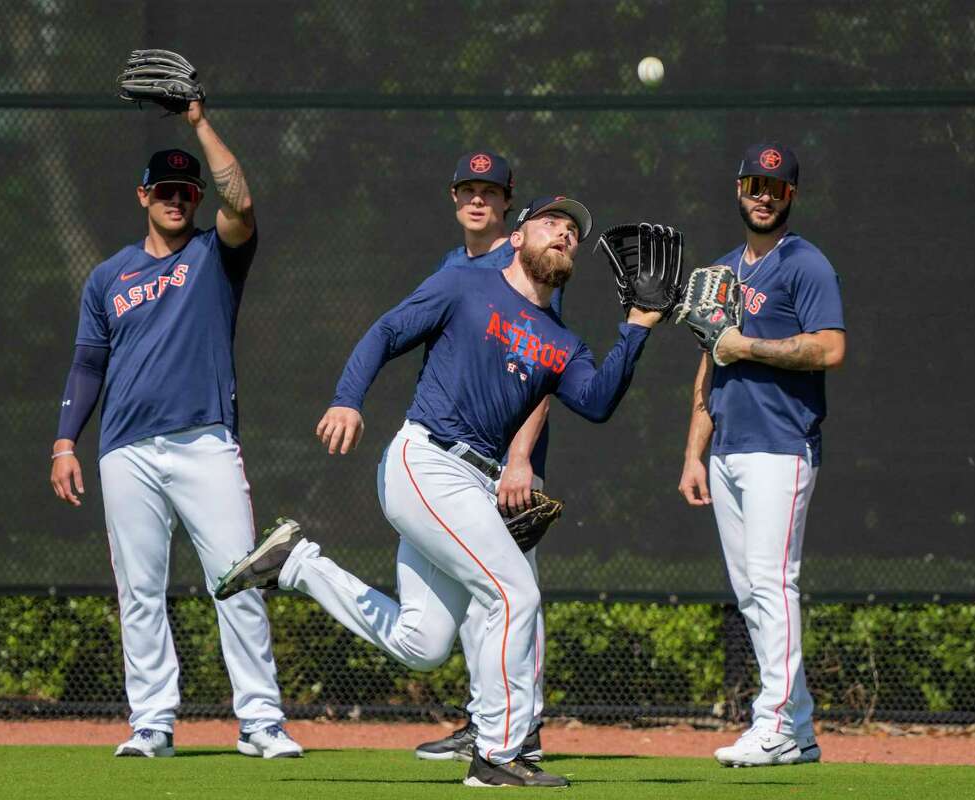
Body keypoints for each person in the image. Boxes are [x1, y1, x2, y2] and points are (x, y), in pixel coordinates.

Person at [216, 196, 666, 788]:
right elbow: (386, 332)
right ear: (516, 237)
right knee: (515, 594)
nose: (564, 232)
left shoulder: (563, 342)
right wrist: (348, 398)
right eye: (550, 222)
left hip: (474, 483)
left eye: (573, 231)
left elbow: (598, 401)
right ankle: (498, 756)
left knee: (422, 642)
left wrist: (636, 328)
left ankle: (295, 563)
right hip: (427, 461)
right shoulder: (463, 286)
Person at [48, 100, 302, 759]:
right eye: (165, 189)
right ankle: (152, 724)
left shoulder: (216, 256)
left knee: (238, 578)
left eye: (186, 191)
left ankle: (261, 722)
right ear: (144, 195)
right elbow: (87, 362)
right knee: (140, 593)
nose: (177, 199)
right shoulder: (109, 277)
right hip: (125, 450)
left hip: (204, 441)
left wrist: (198, 122)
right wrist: (64, 441)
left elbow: (240, 202)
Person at [677, 142, 845, 767]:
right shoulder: (722, 271)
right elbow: (709, 362)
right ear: (739, 187)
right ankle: (797, 728)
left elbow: (830, 349)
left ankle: (772, 723)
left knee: (775, 585)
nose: (764, 194)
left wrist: (745, 346)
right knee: (751, 592)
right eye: (755, 182)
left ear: (790, 195)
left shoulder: (807, 264)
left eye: (776, 185)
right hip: (727, 450)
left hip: (782, 445)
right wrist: (695, 453)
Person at [414, 151, 556, 764]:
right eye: (469, 189)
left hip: (504, 464)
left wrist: (521, 458)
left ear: (507, 203)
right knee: (484, 597)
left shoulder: (523, 262)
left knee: (512, 590)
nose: (479, 200)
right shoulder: (451, 265)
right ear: (454, 198)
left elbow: (549, 365)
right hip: (454, 457)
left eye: (490, 191)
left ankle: (523, 727)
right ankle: (487, 721)